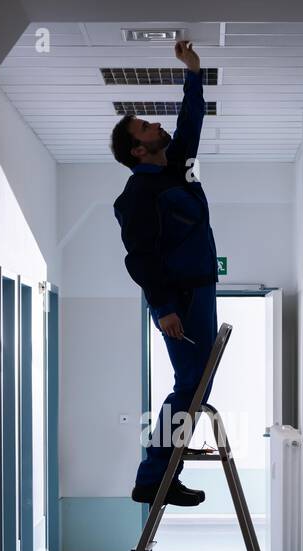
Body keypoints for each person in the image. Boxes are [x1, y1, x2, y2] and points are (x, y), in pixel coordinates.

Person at [110, 39, 219, 507]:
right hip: (182, 301)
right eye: (146, 125)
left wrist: (193, 72)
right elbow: (141, 258)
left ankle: (161, 470)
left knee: (197, 386)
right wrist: (163, 308)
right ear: (138, 148)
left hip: (200, 290)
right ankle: (155, 475)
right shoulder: (137, 197)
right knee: (190, 386)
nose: (157, 124)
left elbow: (189, 121)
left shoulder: (176, 170)